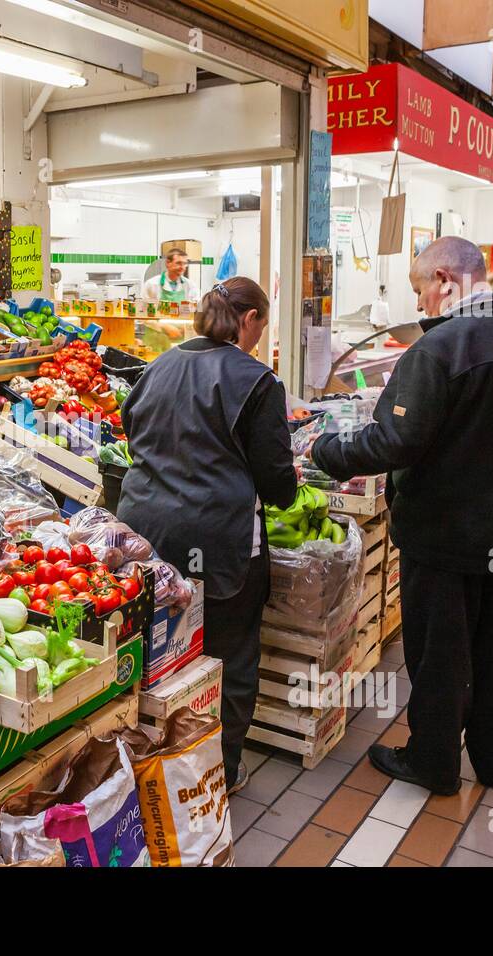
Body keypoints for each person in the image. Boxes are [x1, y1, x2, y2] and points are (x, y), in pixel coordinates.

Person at [310, 237, 493, 795]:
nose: (422, 302)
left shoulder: (440, 348)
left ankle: (433, 763)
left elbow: (394, 441)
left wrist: (324, 451)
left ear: (447, 281)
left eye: (420, 288)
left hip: (445, 536)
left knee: (441, 654)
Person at [118, 277, 295, 793]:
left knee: (159, 653)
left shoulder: (159, 366)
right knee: (230, 655)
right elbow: (279, 484)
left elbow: (131, 431)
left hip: (144, 534)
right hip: (221, 542)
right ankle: (221, 771)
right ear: (249, 320)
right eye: (262, 323)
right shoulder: (258, 381)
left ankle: (151, 768)